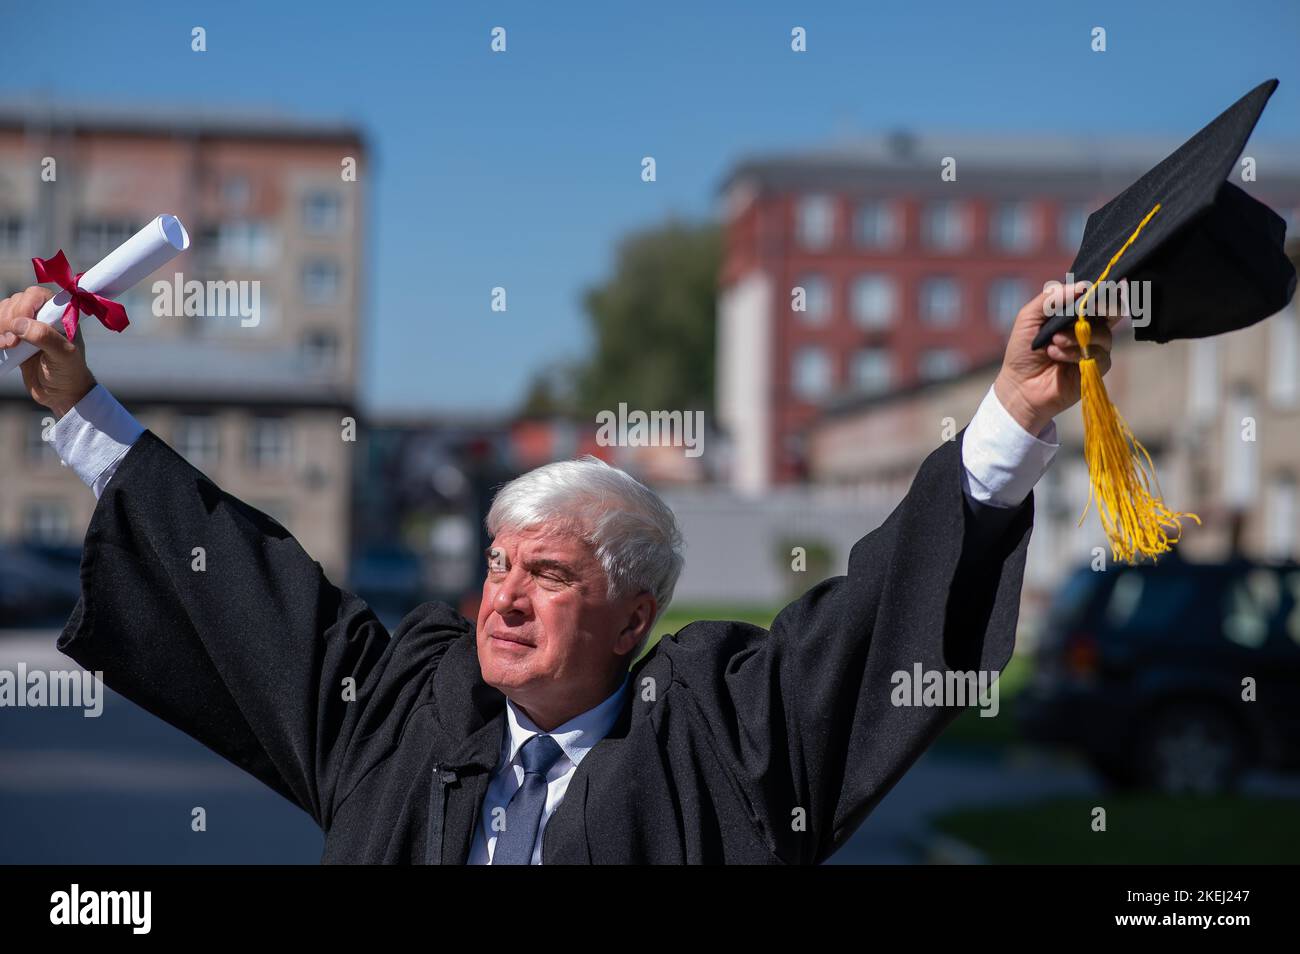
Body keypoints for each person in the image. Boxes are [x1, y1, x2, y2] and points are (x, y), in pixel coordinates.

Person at [0, 280, 1112, 864]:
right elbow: (246, 591)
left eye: (548, 573)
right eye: (496, 565)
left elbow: (877, 620)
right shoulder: (409, 715)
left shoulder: (717, 744)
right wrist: (85, 415)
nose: (504, 596)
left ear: (633, 616)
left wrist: (1008, 418)